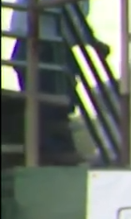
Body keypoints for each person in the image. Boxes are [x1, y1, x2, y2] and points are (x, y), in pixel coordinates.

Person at [8, 0, 106, 164]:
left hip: (47, 42)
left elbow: (72, 19)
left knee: (58, 99)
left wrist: (92, 40)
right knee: (50, 101)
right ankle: (54, 151)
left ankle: (56, 149)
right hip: (41, 43)